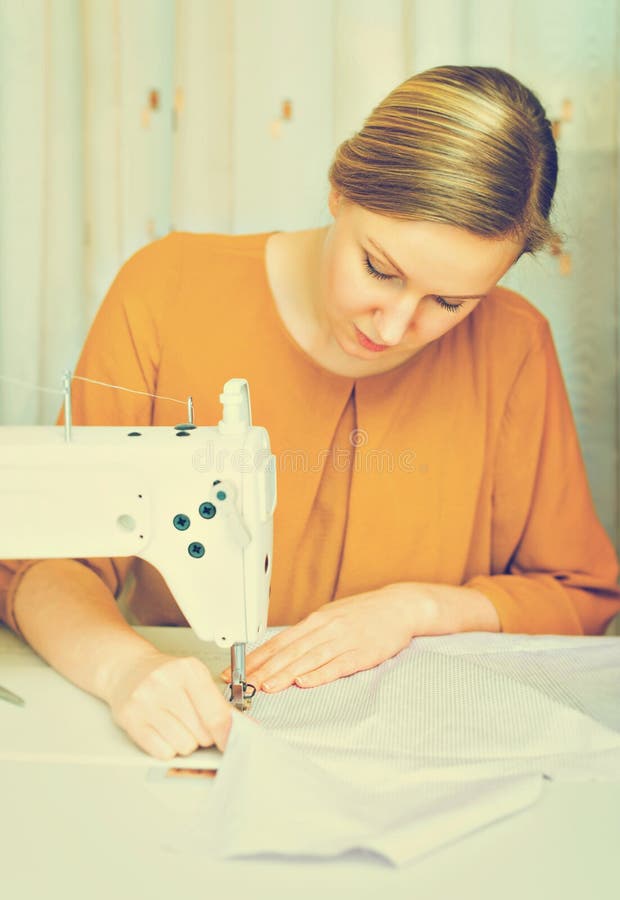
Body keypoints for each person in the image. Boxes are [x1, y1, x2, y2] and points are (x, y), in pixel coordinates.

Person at [1, 65, 619, 761]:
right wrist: (125, 669)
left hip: (423, 751)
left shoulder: (512, 343)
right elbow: (47, 564)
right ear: (338, 188)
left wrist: (415, 610)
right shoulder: (165, 292)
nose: (391, 330)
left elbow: (579, 595)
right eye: (379, 270)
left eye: (449, 303)